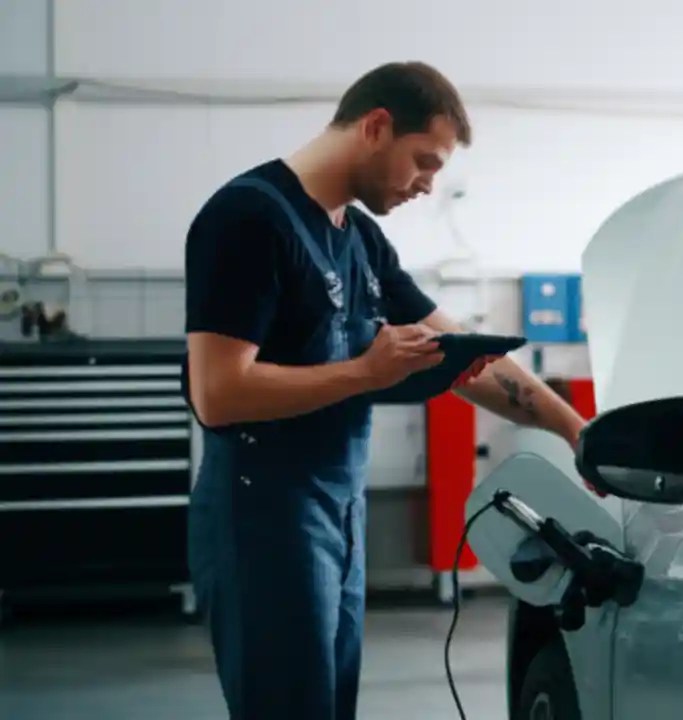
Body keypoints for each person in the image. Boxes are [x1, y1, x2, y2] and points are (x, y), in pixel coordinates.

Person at [182, 60, 588, 720]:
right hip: (262, 514)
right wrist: (367, 373)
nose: (428, 185)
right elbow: (219, 393)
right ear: (375, 127)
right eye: (423, 161)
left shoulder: (360, 238)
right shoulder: (249, 218)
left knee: (330, 705)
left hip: (337, 508)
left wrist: (575, 429)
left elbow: (461, 356)